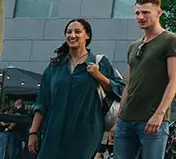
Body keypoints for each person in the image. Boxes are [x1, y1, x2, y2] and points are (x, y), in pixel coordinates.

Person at [28, 19, 122, 159]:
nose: (72, 35)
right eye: (69, 32)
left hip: (86, 134)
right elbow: (42, 102)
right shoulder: (55, 67)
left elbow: (121, 90)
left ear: (87, 36)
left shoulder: (100, 63)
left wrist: (99, 76)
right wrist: (33, 133)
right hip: (53, 133)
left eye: (77, 31)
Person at [113, 0, 176, 159]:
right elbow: (128, 85)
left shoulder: (170, 40)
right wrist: (117, 120)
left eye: (145, 12)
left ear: (159, 13)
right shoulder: (134, 46)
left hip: (152, 120)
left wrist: (159, 114)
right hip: (125, 120)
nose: (140, 17)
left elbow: (175, 80)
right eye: (137, 13)